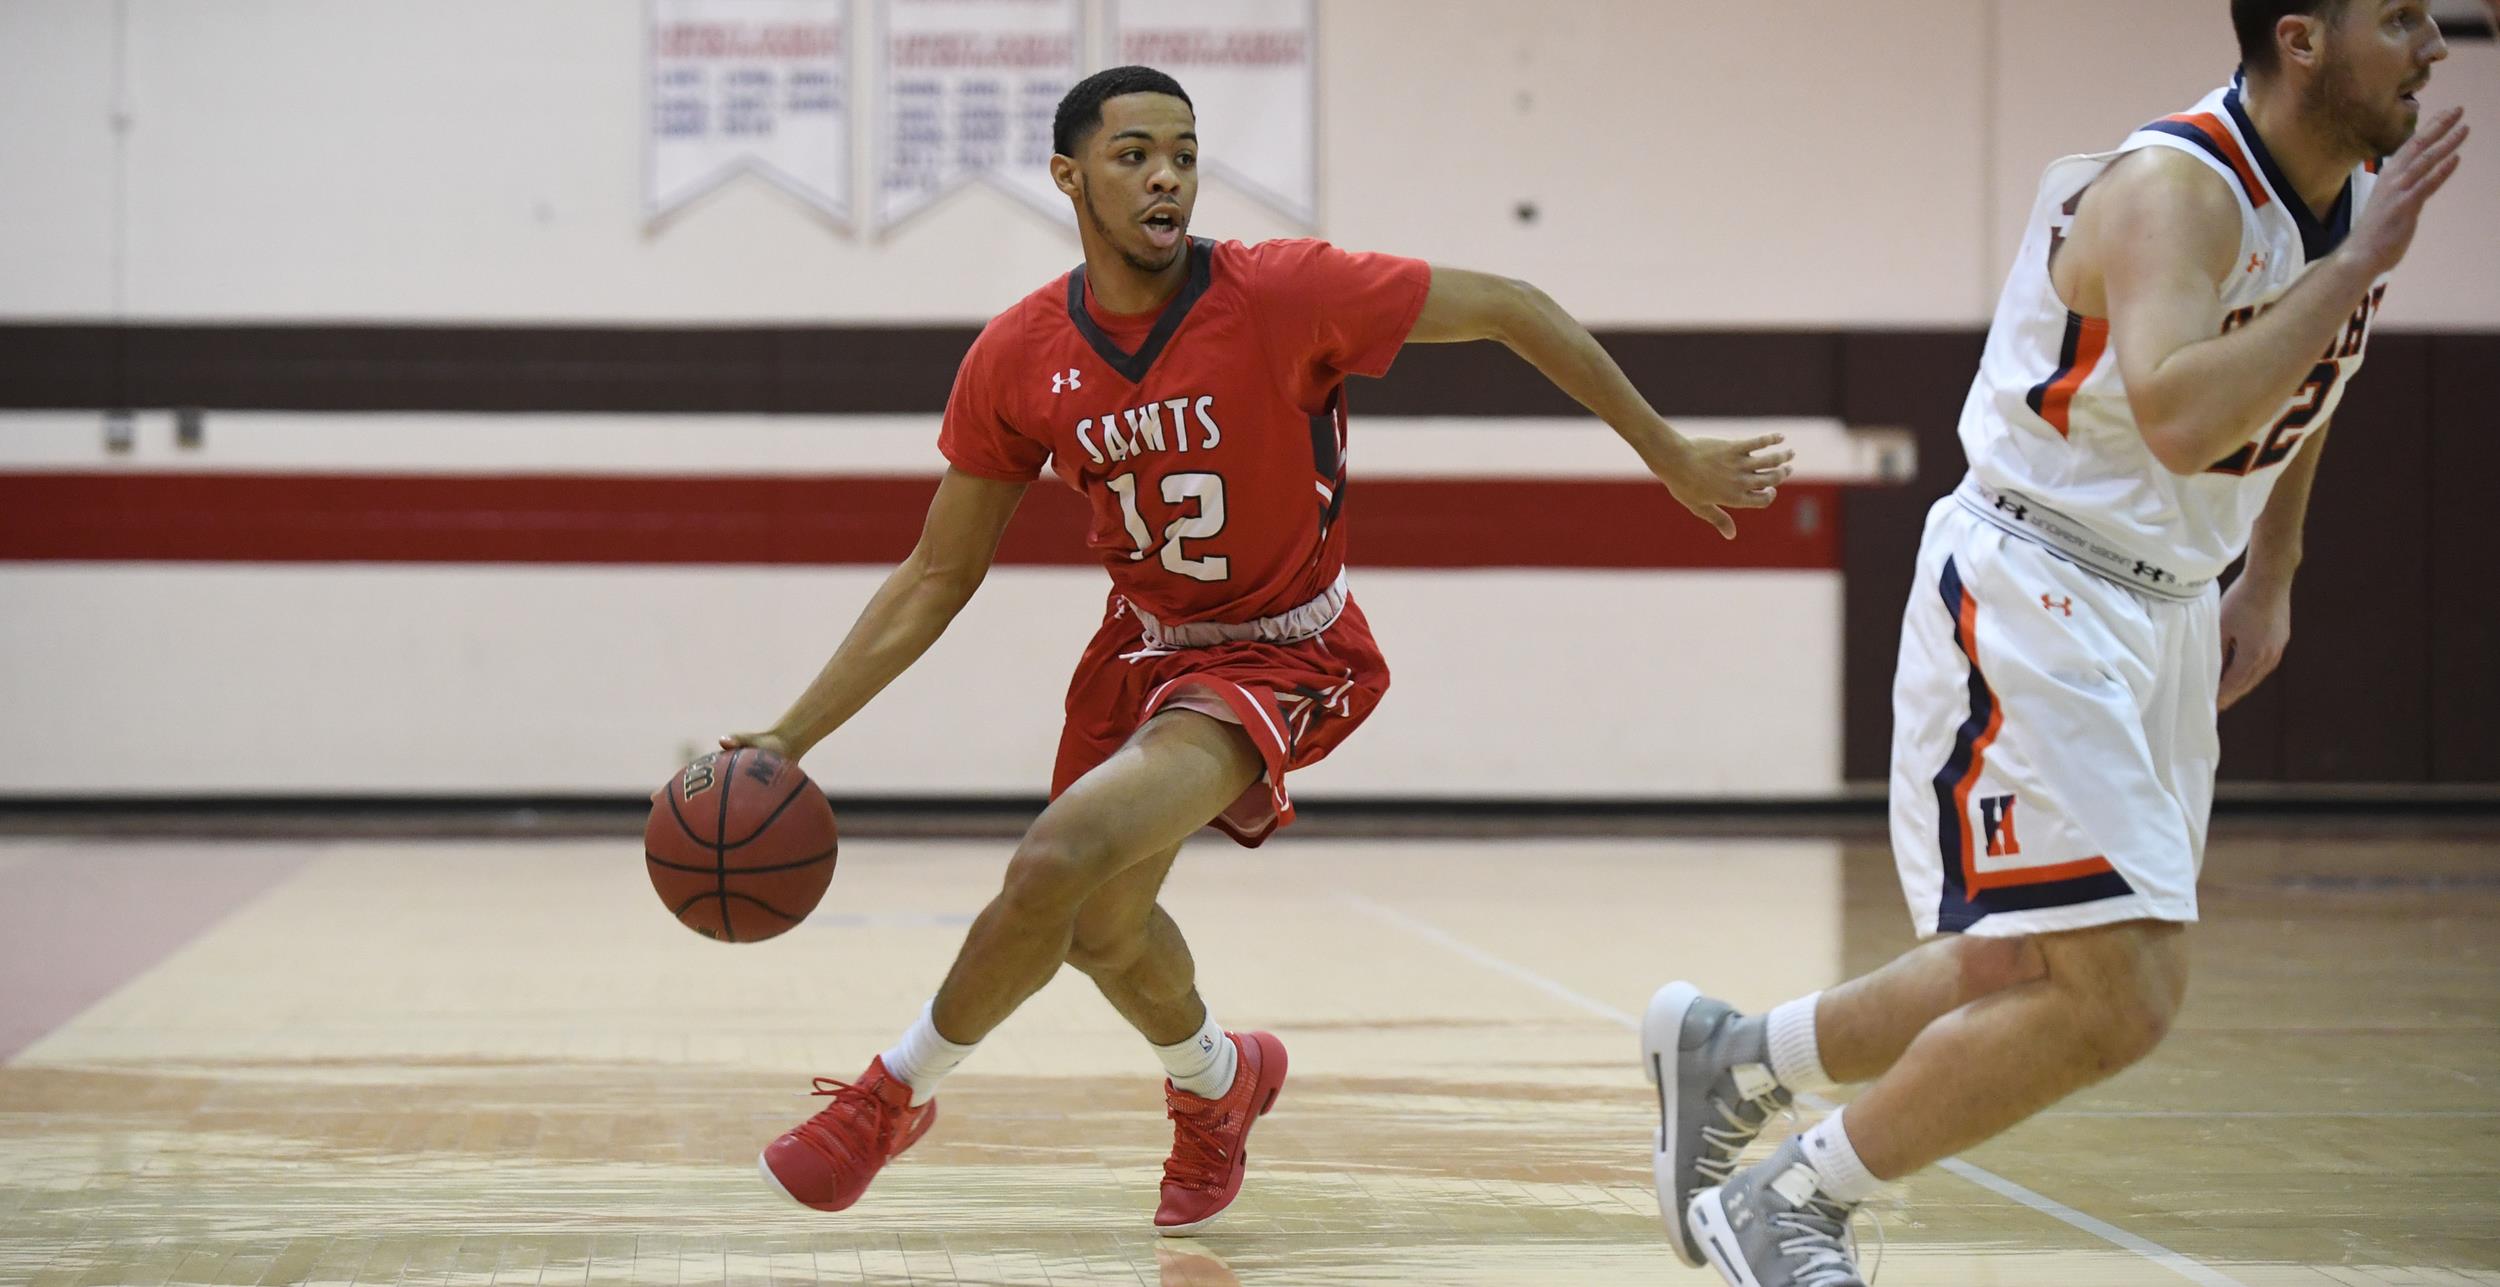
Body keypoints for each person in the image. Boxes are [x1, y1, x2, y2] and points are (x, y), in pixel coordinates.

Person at [725, 64, 1793, 1234]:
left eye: (1183, 150)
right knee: (1098, 930)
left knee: (1053, 858)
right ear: (1069, 178)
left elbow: (1512, 303)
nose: (1168, 173)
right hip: (1143, 653)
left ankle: (891, 1096)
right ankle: (1219, 1085)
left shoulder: (1285, 292)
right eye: (1134, 153)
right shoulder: (1019, 354)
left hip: (1285, 654)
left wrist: (1666, 451)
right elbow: (938, 574)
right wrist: (789, 736)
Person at [1643, 3, 2465, 1282]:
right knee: (2121, 994)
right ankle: (1795, 1197)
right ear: (2300, 38)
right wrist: (2355, 269)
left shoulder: (2347, 198)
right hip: (2041, 584)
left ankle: (1739, 1054)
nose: (2434, 44)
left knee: (2025, 959)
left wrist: (2273, 568)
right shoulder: (2171, 190)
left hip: (2174, 604)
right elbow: (2184, 415)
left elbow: (2310, 385)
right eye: (2400, 16)